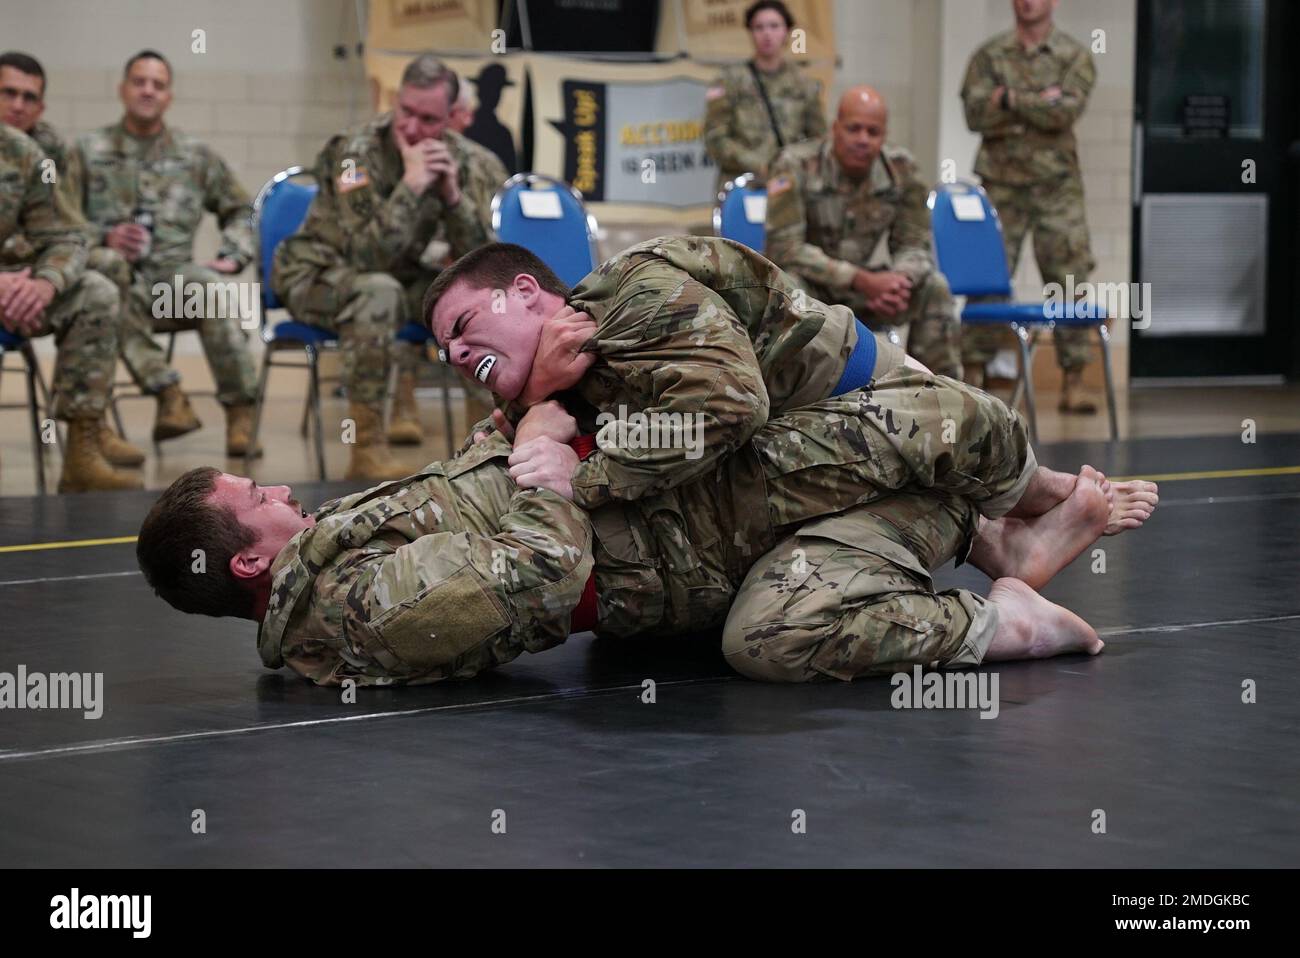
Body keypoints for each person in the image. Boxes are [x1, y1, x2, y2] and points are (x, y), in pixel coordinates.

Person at [136, 394, 1158, 687]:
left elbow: (462, 507)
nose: (278, 486)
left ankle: (1004, 537)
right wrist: (541, 443)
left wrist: (510, 433)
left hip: (645, 505)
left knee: (876, 425)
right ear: (246, 560)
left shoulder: (327, 563)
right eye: (254, 493)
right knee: (923, 432)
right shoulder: (353, 607)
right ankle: (999, 581)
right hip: (668, 545)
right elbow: (536, 573)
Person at [424, 236, 922, 512]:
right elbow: (470, 471)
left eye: (463, 327)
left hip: (882, 394)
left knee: (990, 523)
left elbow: (730, 408)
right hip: (812, 438)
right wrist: (535, 393)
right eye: (448, 354)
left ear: (526, 290)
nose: (460, 354)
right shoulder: (543, 386)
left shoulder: (634, 292)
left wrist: (586, 476)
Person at [272, 54, 507, 480]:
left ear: (451, 116)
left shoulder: (466, 160)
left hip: (395, 277)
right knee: (378, 290)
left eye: (430, 119)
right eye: (407, 112)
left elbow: (483, 264)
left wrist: (453, 198)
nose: (414, 128)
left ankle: (491, 436)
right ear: (396, 101)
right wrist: (412, 185)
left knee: (474, 297)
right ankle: (366, 447)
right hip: (317, 273)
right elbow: (366, 255)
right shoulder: (353, 154)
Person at [76, 49, 261, 454]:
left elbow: (241, 210)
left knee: (210, 288)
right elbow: (60, 224)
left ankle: (242, 415)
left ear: (169, 97)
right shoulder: (87, 152)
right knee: (103, 291)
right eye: (139, 82)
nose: (148, 91)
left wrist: (234, 253)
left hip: (172, 283)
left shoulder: (194, 156)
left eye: (157, 85)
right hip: (115, 281)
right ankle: (169, 395)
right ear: (122, 89)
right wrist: (103, 237)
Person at [0, 50, 145, 467]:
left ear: (41, 106)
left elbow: (68, 229)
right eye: (8, 93)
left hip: (23, 276)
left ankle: (85, 442)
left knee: (100, 283)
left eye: (28, 97)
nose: (17, 105)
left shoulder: (33, 152)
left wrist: (42, 284)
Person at [765, 85, 963, 378]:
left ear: (884, 135)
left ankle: (936, 398)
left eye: (873, 132)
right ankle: (798, 400)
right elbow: (785, 248)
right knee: (790, 291)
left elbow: (915, 246)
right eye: (853, 129)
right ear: (835, 128)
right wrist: (861, 280)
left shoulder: (901, 169)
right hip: (814, 290)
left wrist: (898, 282)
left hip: (872, 294)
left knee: (934, 287)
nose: (862, 140)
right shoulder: (794, 165)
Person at [960, 0, 1100, 412]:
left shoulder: (1074, 55)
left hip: (1058, 185)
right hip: (1001, 183)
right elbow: (973, 114)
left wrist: (1006, 99)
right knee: (987, 280)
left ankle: (1073, 382)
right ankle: (974, 377)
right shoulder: (989, 54)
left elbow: (1065, 113)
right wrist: (1041, 99)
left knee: (1069, 278)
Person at [703, 0, 825, 190]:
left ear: (787, 32)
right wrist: (759, 164)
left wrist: (792, 160)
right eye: (759, 27)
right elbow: (715, 138)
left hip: (788, 186)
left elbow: (818, 139)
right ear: (750, 33)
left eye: (774, 26)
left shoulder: (803, 84)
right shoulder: (729, 81)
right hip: (742, 183)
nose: (767, 34)